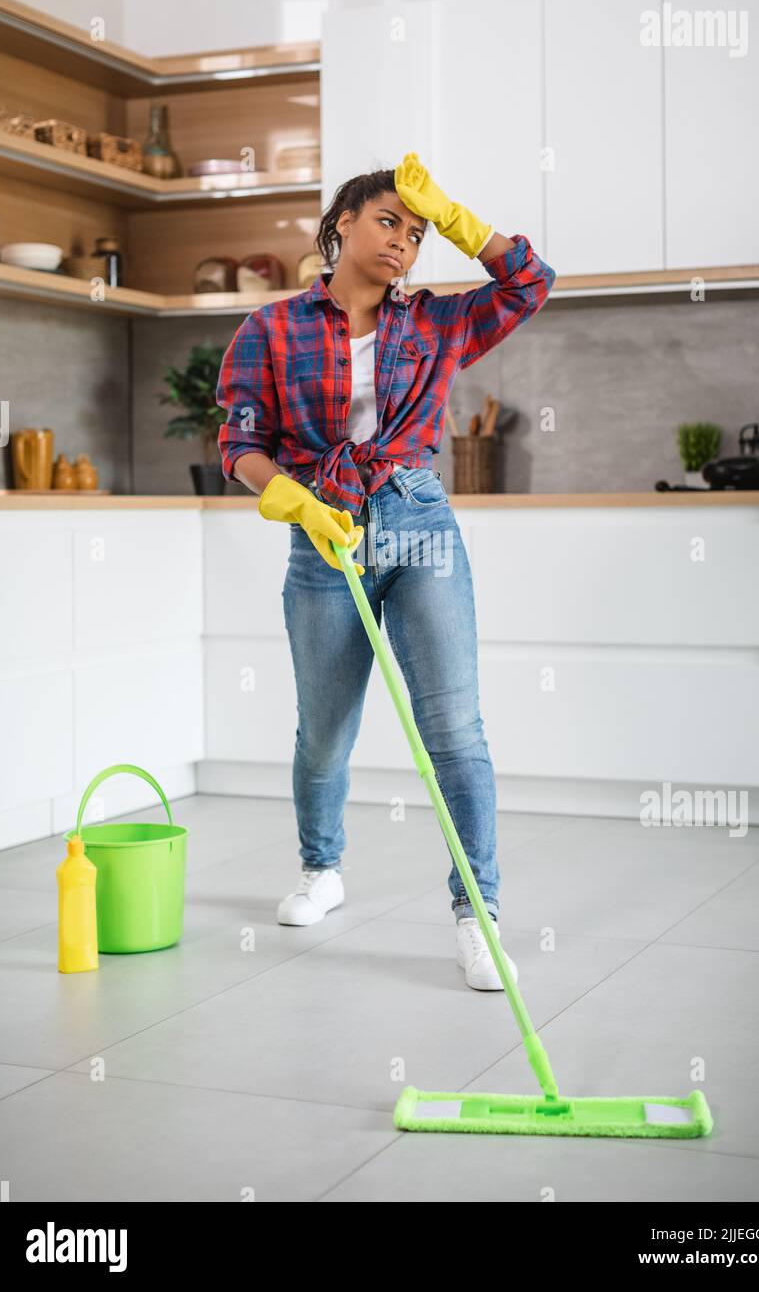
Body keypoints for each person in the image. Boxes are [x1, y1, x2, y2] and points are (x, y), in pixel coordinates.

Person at [217, 151, 556, 989]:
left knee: (454, 728)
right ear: (340, 227)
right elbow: (240, 444)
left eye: (416, 230)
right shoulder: (270, 329)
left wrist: (461, 219)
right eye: (387, 221)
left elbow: (528, 286)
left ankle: (477, 917)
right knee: (324, 731)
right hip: (322, 538)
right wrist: (292, 500)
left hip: (417, 525)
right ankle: (321, 870)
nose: (404, 241)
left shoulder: (435, 321)